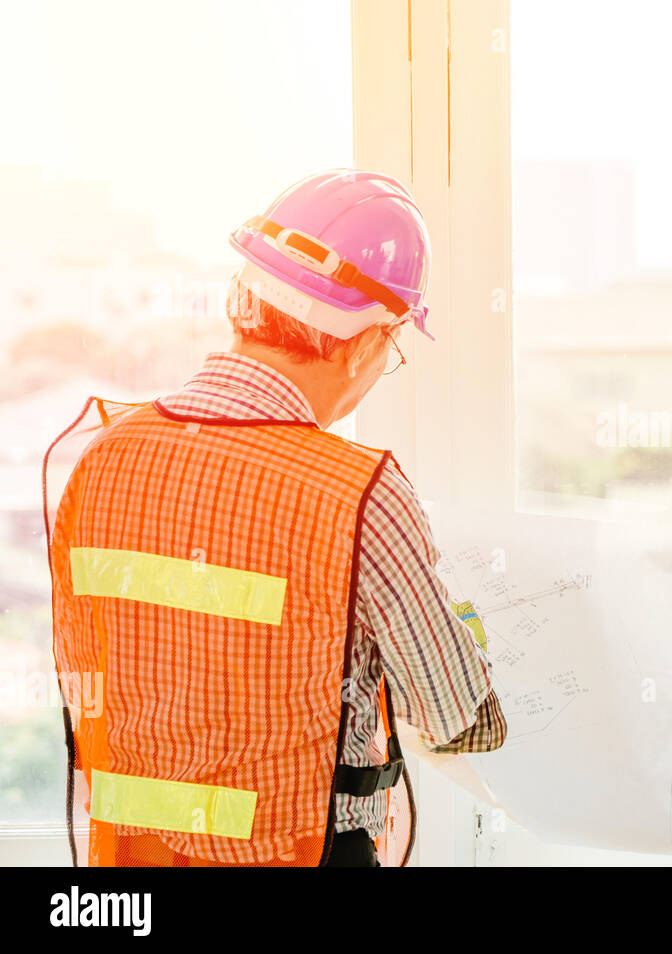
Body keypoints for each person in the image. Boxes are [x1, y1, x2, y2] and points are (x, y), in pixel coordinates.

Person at [46, 169, 505, 867]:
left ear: (245, 301)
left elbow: (86, 669)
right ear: (360, 345)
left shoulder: (100, 457)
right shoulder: (359, 493)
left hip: (129, 868)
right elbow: (459, 718)